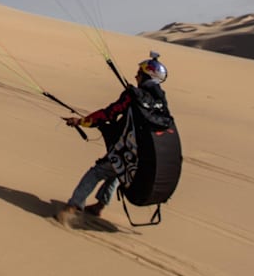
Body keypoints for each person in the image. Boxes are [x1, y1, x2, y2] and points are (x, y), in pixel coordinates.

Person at [58, 51, 170, 221]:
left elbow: (109, 114)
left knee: (97, 172)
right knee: (118, 170)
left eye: (139, 73)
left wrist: (80, 121)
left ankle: (73, 206)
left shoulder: (133, 96)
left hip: (128, 151)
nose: (136, 76)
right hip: (146, 158)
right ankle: (100, 205)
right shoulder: (161, 102)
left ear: (146, 76)